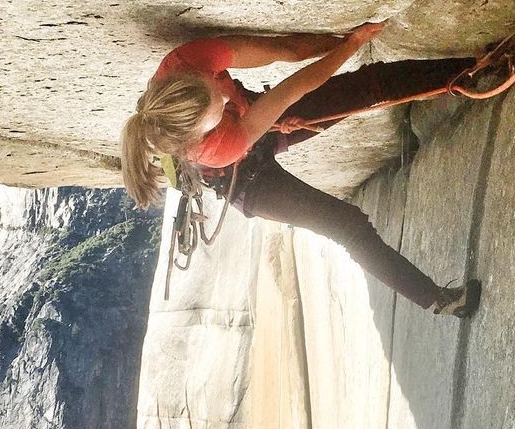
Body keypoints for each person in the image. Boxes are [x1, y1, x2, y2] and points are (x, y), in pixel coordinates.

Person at [121, 22, 483, 318]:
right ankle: (440, 300)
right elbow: (295, 88)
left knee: (369, 85)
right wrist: (353, 44)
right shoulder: (217, 147)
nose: (221, 88)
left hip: (251, 118)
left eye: (215, 82)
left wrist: (338, 40)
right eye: (218, 100)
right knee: (348, 226)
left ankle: (475, 68)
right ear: (201, 130)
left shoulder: (186, 61)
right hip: (248, 181)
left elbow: (284, 50)